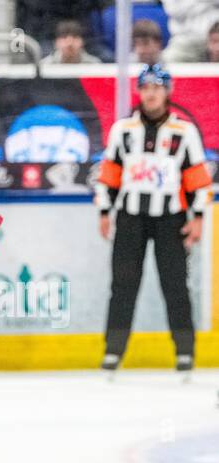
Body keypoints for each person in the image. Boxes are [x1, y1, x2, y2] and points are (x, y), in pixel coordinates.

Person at [95, 64, 211, 375]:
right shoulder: (124, 131)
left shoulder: (184, 133)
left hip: (170, 220)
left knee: (175, 286)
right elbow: (109, 175)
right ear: (139, 91)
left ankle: (185, 351)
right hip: (130, 219)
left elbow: (198, 180)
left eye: (157, 87)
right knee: (123, 286)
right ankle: (113, 351)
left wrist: (197, 218)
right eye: (146, 87)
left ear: (167, 92)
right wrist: (105, 211)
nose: (151, 93)